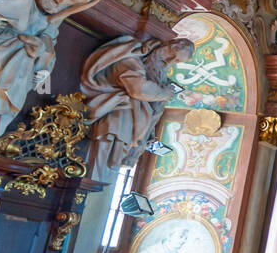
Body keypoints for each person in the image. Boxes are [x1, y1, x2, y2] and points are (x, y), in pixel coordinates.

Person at [0, 0, 101, 137]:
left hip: (11, 77)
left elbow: (47, 51)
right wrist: (18, 35)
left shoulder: (49, 22)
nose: (60, 2)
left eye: (68, 4)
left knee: (24, 56)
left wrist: (40, 49)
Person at [80, 36, 195, 179]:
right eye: (174, 57)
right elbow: (138, 89)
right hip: (115, 115)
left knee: (108, 166)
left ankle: (95, 179)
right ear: (172, 46)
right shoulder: (130, 57)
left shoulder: (153, 69)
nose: (170, 63)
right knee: (101, 160)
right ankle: (90, 179)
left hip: (127, 123)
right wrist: (164, 93)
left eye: (176, 61)